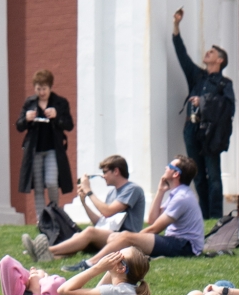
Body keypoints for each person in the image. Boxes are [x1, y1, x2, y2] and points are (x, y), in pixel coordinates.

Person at [172, 8, 236, 220]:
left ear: (220, 61)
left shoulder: (225, 84)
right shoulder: (197, 76)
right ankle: (205, 215)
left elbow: (228, 107)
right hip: (192, 129)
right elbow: (183, 57)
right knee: (198, 175)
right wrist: (176, 27)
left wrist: (203, 101)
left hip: (211, 133)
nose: (207, 53)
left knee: (214, 175)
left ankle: (216, 215)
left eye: (212, 52)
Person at [26, 155, 145, 266]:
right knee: (78, 236)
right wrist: (84, 202)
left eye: (105, 172)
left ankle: (43, 250)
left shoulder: (132, 189)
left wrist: (89, 191)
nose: (103, 176)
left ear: (116, 171)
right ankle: (49, 256)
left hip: (125, 238)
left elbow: (108, 211)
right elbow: (101, 222)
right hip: (110, 235)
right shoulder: (112, 193)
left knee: (89, 232)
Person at [88, 157, 204, 262]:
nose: (165, 167)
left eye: (169, 166)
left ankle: (92, 262)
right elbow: (152, 220)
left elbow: (154, 228)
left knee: (125, 237)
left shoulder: (181, 197)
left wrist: (129, 238)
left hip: (186, 246)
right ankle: (97, 260)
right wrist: (160, 191)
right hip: (177, 241)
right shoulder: (177, 194)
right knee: (119, 237)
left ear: (175, 174)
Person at [16, 69, 74, 219]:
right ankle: (41, 219)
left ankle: (55, 214)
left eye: (44, 89)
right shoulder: (29, 103)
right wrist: (26, 119)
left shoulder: (60, 103)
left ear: (50, 87)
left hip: (53, 149)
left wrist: (57, 116)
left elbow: (69, 125)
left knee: (52, 181)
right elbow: (19, 126)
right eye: (38, 89)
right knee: (39, 187)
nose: (41, 92)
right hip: (34, 151)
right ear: (34, 88)